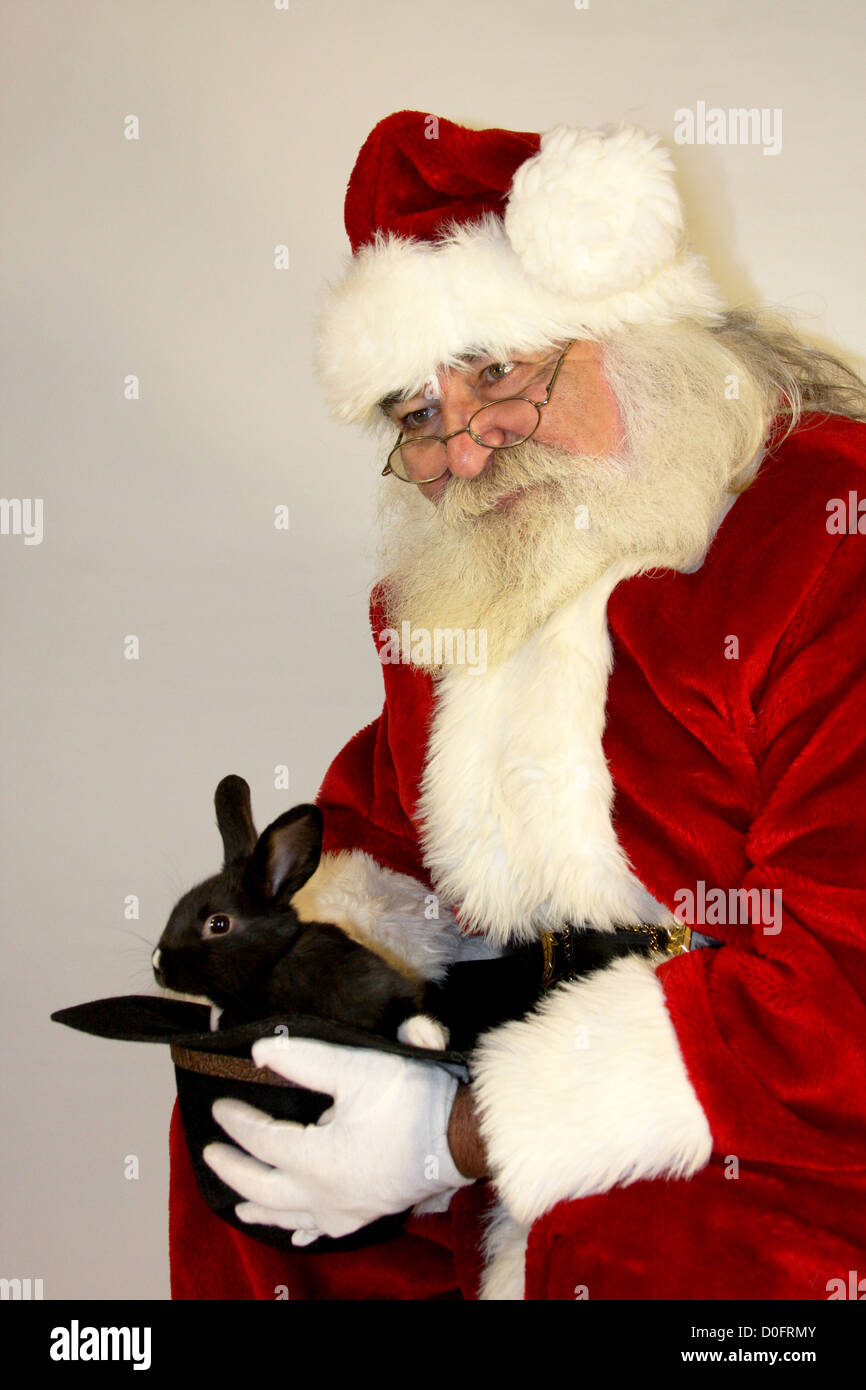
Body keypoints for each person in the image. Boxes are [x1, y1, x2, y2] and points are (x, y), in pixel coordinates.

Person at [168, 111, 866, 1300]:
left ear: (627, 335)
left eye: (495, 369)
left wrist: (454, 1136)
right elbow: (387, 841)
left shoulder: (824, 531)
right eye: (413, 412)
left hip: (786, 1102)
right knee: (247, 1143)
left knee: (641, 1242)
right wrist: (307, 1012)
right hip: (514, 1048)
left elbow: (839, 989)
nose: (464, 453)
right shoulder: (450, 588)